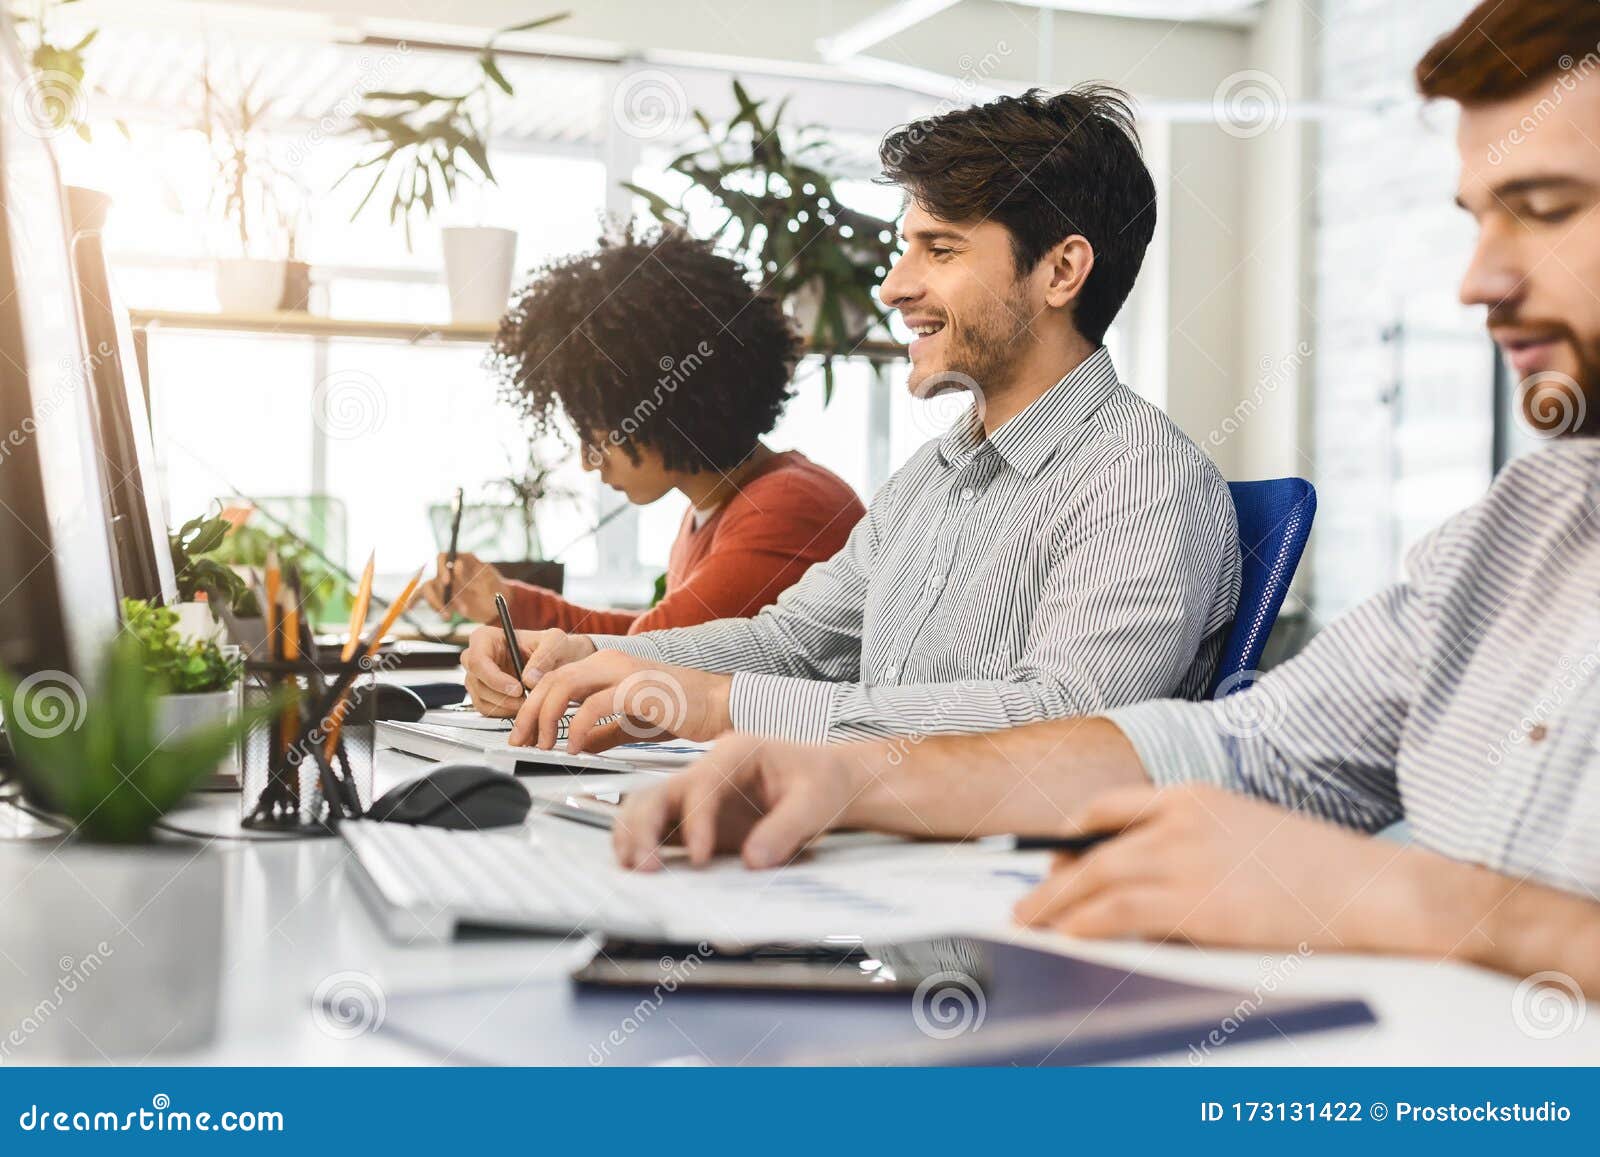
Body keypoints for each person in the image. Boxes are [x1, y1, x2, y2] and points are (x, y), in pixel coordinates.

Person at [608, 0, 1600, 994]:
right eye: (1476, 219)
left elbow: (1072, 705)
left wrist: (1410, 898)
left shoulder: (1143, 476)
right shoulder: (1515, 530)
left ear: (1062, 269)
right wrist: (843, 771)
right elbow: (1240, 749)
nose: (1476, 281)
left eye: (1549, 207)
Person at [464, 85, 1241, 753]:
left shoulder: (1142, 482)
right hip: (862, 861)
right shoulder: (930, 481)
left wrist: (714, 704)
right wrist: (587, 654)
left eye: (939, 249)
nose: (894, 286)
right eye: (906, 248)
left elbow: (1059, 726)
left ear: (1061, 271)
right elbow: (794, 646)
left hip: (986, 909)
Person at [420, 230, 865, 635]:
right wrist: (508, 602)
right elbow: (657, 638)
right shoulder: (716, 508)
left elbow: (647, 652)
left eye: (598, 434)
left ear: (668, 407)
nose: (587, 460)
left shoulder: (787, 506)